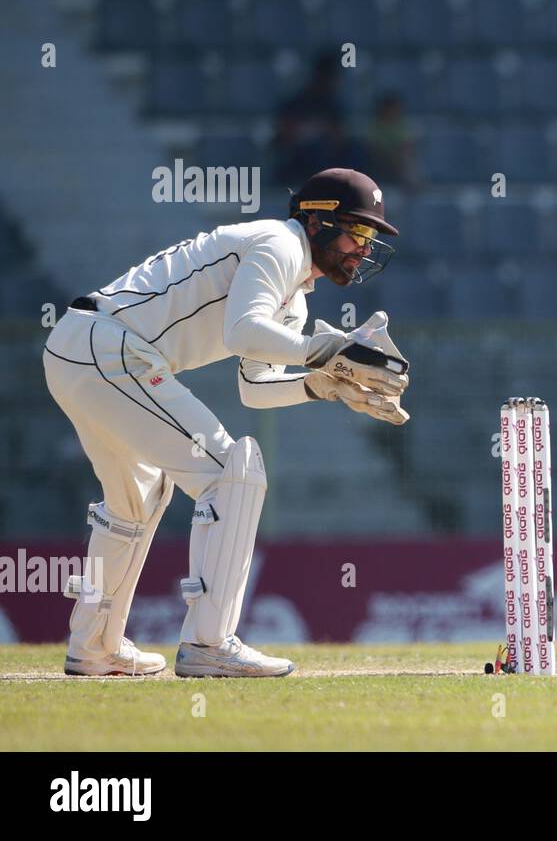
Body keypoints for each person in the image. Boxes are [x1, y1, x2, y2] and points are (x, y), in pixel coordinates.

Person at [42, 169, 410, 677]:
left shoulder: (295, 295)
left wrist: (318, 385)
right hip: (106, 347)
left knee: (139, 496)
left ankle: (95, 646)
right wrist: (326, 351)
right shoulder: (279, 243)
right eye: (355, 231)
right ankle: (209, 643)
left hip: (81, 348)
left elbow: (254, 385)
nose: (361, 247)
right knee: (232, 472)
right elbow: (242, 331)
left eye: (369, 237)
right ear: (318, 222)